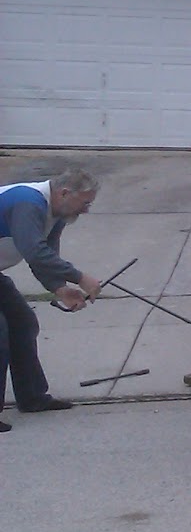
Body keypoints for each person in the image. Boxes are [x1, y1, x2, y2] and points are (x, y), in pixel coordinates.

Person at [0, 168, 103, 432]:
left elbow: (46, 254)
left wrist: (60, 288)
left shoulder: (57, 214)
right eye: (85, 203)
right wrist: (80, 278)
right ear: (65, 193)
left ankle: (32, 397)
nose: (86, 210)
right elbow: (34, 252)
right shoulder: (28, 203)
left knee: (23, 323)